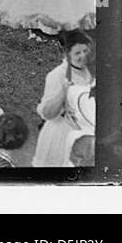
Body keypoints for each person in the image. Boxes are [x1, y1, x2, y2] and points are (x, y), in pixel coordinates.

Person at [32, 30, 95, 167]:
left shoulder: (90, 71)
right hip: (61, 137)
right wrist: (63, 91)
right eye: (77, 53)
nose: (83, 56)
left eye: (85, 51)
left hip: (86, 138)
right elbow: (47, 113)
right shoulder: (57, 75)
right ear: (67, 54)